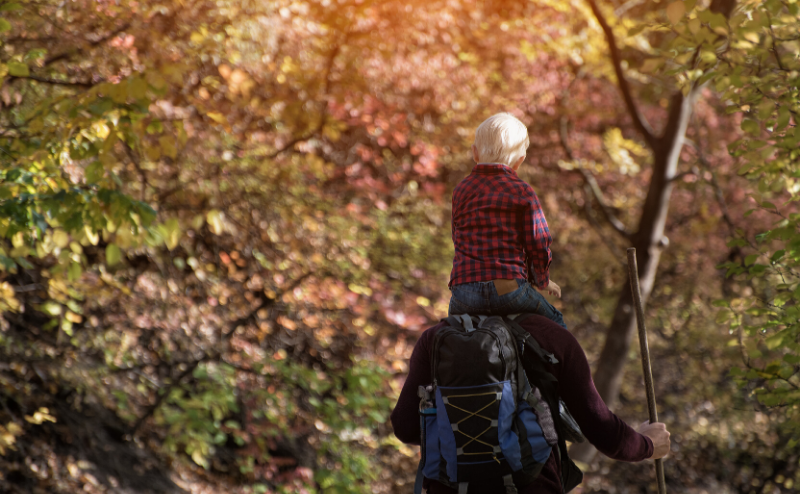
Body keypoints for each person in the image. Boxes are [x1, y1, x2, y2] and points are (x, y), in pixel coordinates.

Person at [391, 314, 671, 494]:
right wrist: (647, 444)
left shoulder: (436, 340)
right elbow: (604, 432)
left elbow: (405, 428)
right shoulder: (550, 335)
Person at [448, 113, 565, 328]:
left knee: (449, 334)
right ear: (520, 161)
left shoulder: (461, 190)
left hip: (463, 293)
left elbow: (457, 237)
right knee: (556, 323)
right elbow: (538, 242)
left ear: (475, 153)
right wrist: (542, 279)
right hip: (508, 289)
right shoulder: (522, 192)